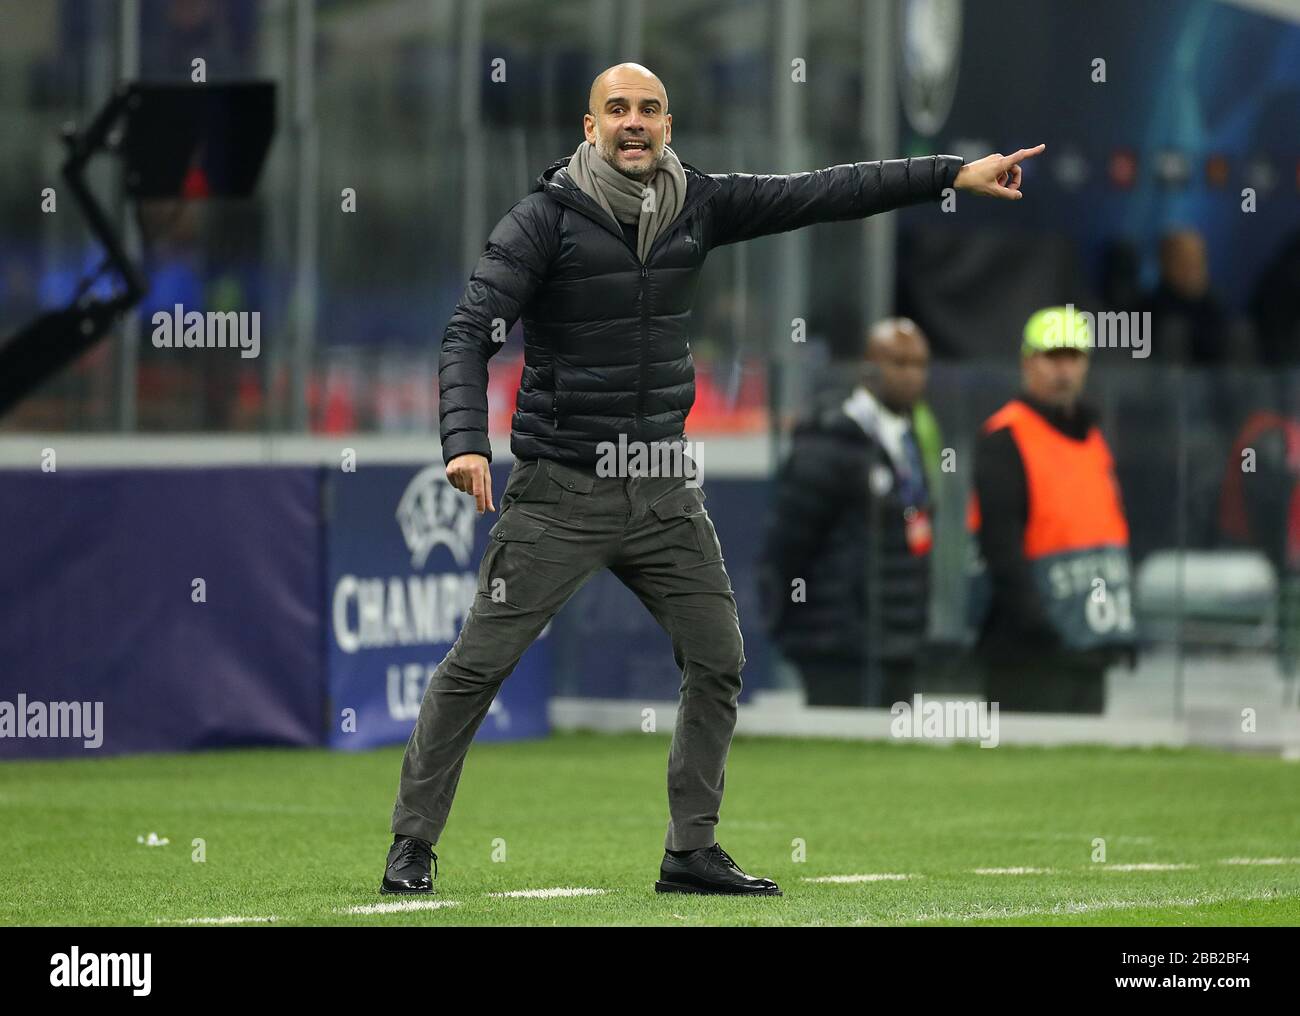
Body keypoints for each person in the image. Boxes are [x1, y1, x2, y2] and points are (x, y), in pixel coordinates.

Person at [383, 61, 1043, 896]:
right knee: (477, 666)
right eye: (616, 110)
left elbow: (825, 192)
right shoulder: (541, 222)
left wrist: (951, 173)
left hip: (661, 487)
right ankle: (412, 844)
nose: (633, 122)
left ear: (668, 125)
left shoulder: (698, 200)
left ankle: (690, 851)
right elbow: (468, 331)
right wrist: (465, 441)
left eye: (649, 109)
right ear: (589, 129)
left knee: (719, 657)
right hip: (560, 490)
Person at [760, 318, 937, 708]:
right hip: (838, 646)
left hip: (897, 638)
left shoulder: (908, 438)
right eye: (899, 363)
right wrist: (788, 620)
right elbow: (787, 543)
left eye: (919, 365)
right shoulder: (829, 440)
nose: (911, 376)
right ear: (867, 367)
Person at [967, 306, 1135, 714]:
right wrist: (1041, 627)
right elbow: (1001, 549)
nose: (1063, 370)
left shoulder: (1093, 439)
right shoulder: (1005, 439)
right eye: (1052, 357)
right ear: (1028, 362)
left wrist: (1121, 626)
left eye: (1073, 357)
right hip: (1028, 653)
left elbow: (1107, 534)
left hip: (1089, 645)